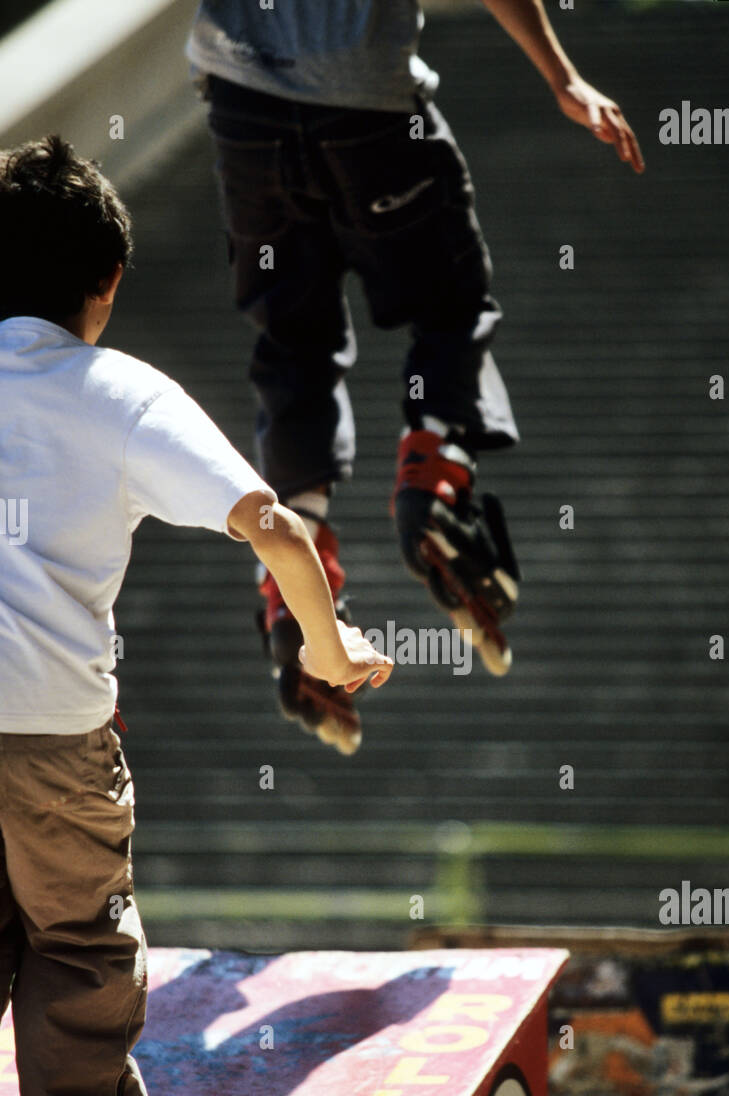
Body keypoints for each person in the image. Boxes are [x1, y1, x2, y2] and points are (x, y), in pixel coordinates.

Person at [0, 134, 393, 1096]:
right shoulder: (116, 390)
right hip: (57, 740)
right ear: (106, 286)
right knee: (75, 937)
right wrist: (330, 646)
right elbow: (271, 522)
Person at [186, 0, 643, 752]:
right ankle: (433, 481)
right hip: (370, 112)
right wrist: (563, 77)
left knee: (293, 346)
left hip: (244, 115)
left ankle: (297, 580)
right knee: (451, 304)